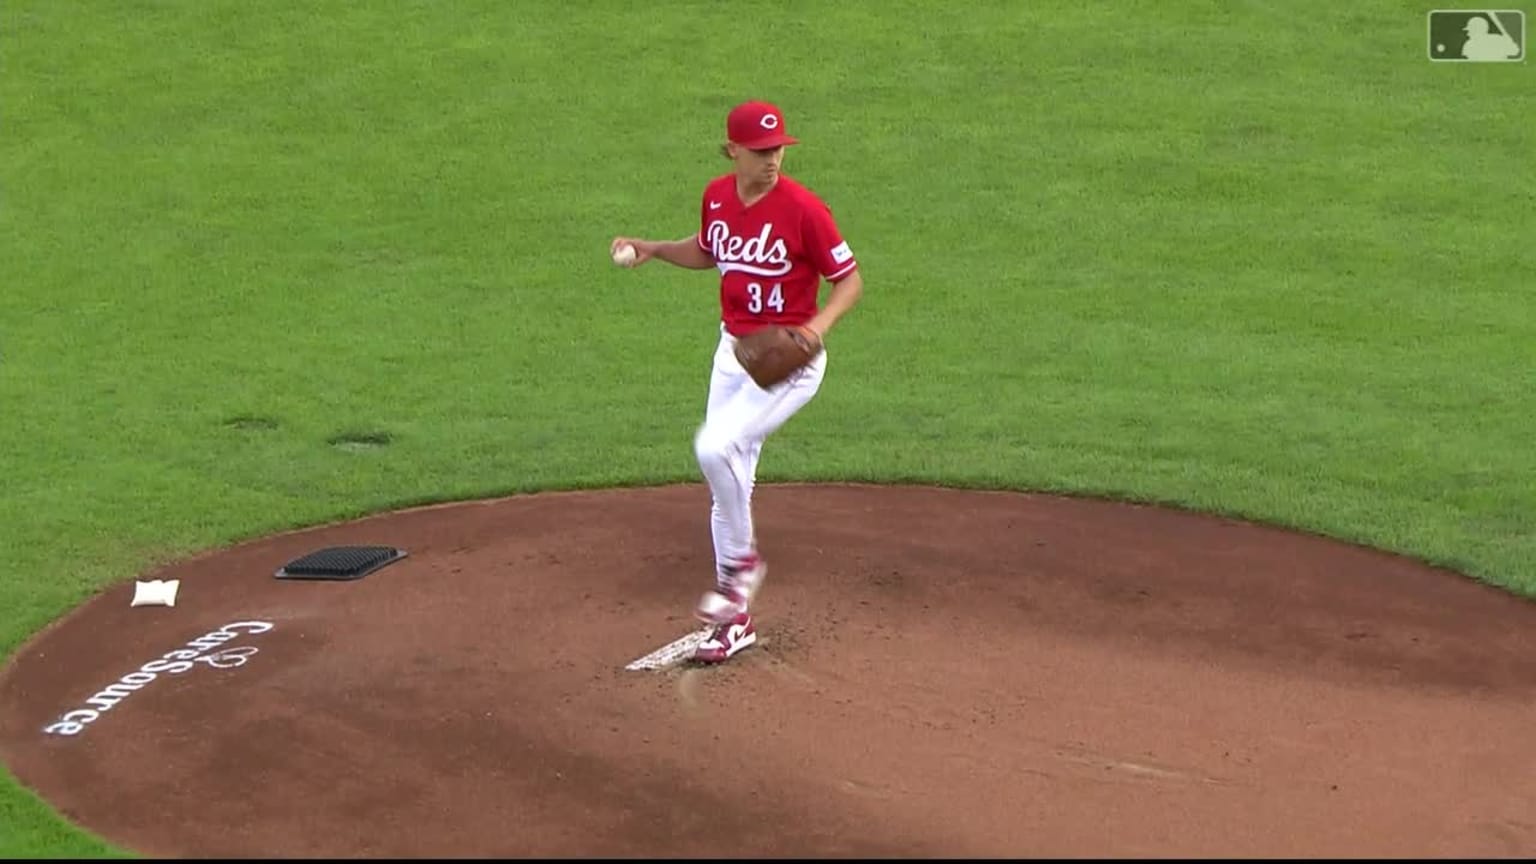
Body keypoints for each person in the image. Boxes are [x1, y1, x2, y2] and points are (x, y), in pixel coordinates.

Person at [610, 100, 865, 664]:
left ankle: (742, 567)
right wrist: (654, 249)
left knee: (714, 445)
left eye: (778, 149)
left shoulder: (804, 210)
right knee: (728, 477)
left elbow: (849, 281)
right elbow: (708, 250)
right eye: (761, 150)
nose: (773, 159)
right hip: (734, 354)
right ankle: (735, 617)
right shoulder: (717, 196)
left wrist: (816, 331)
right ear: (733, 152)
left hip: (789, 364)